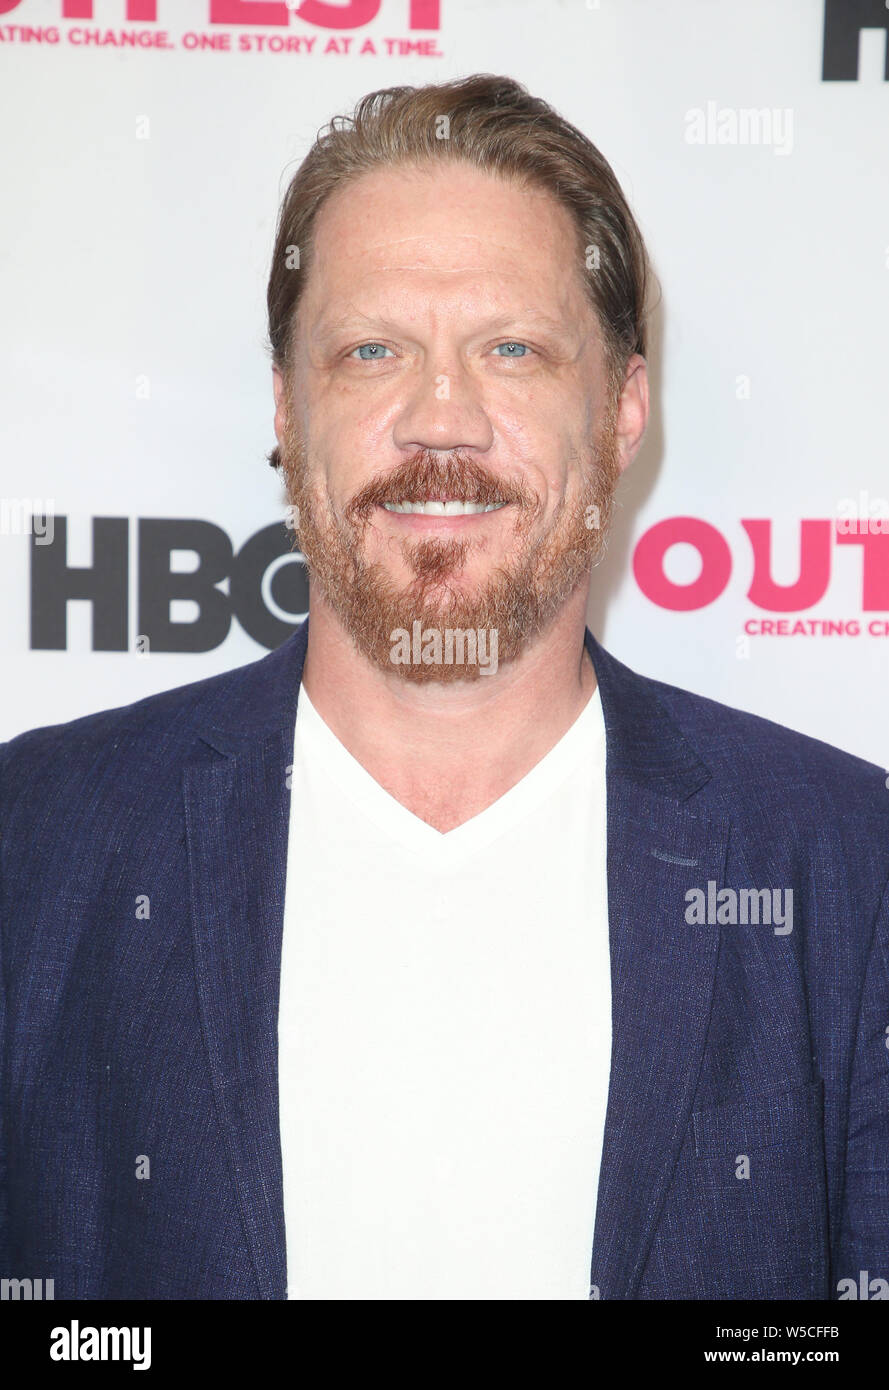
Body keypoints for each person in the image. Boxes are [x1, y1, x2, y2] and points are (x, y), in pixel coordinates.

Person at [1, 75, 886, 1301]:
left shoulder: (842, 865)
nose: (440, 420)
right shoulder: (34, 843)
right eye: (372, 352)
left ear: (624, 409)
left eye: (511, 351)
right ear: (285, 406)